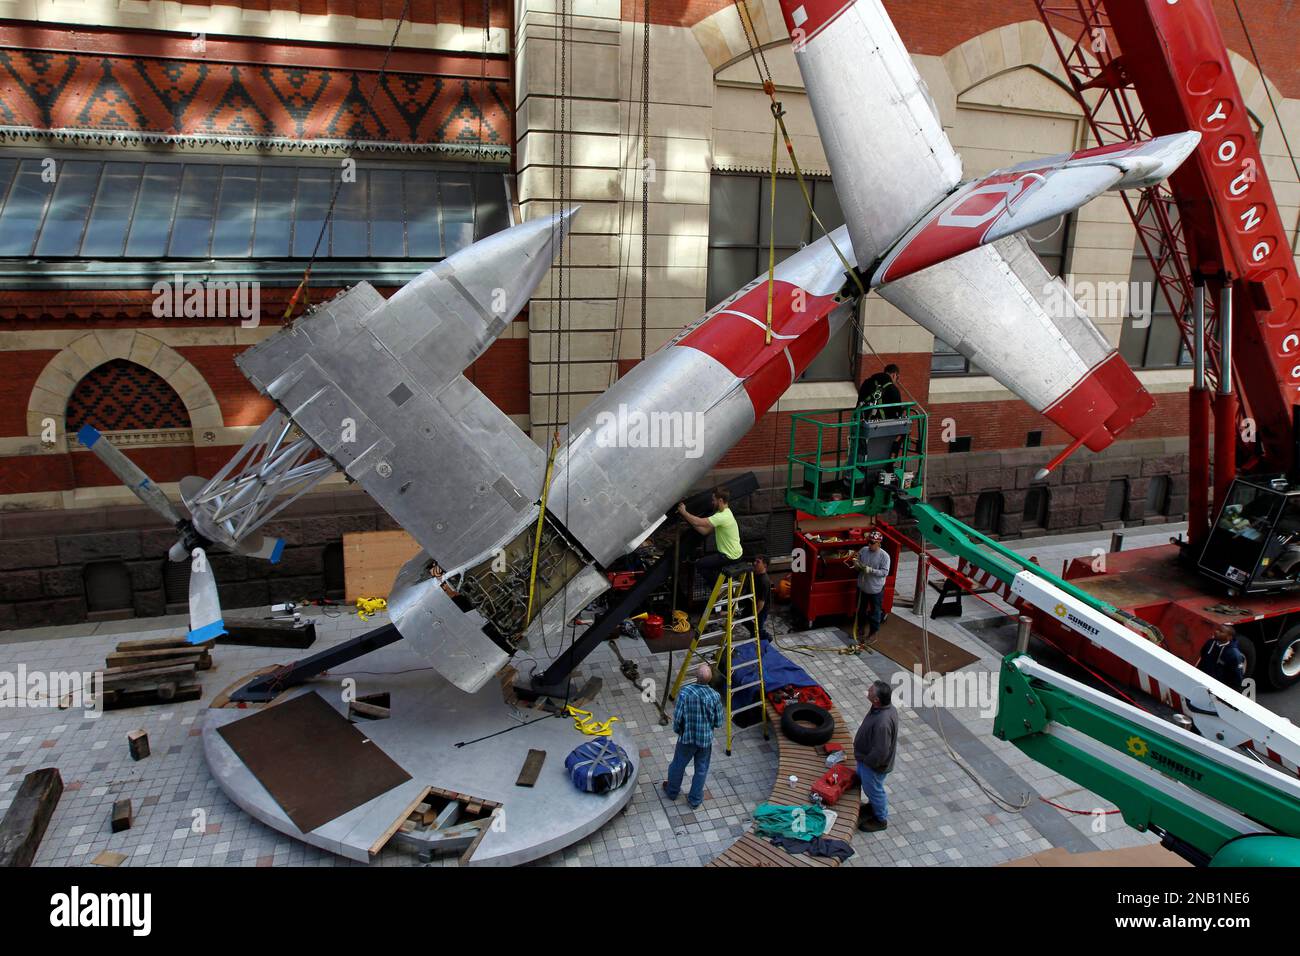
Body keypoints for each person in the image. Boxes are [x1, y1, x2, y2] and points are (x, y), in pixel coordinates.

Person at [663, 663, 724, 809]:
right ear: (710, 680)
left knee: (678, 765)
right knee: (701, 769)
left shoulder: (685, 692)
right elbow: (719, 722)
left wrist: (678, 730)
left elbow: (678, 717)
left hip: (687, 738)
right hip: (705, 741)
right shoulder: (715, 696)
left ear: (696, 677)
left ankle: (672, 792)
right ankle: (695, 799)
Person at [854, 680, 899, 832]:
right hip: (867, 761)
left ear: (876, 700)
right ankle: (873, 806)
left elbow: (881, 751)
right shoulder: (881, 708)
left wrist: (866, 762)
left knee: (874, 790)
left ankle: (880, 819)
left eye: (871, 690)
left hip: (873, 765)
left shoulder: (882, 722)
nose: (868, 689)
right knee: (871, 788)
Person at [677, 487, 744, 584]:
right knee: (709, 565)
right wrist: (690, 520)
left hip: (729, 557)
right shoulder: (724, 513)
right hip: (735, 554)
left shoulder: (722, 516)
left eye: (713, 500)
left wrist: (684, 512)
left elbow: (698, 522)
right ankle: (722, 584)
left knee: (700, 564)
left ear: (720, 500)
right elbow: (705, 531)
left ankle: (719, 588)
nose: (712, 502)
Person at [851, 529, 891, 644]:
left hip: (875, 589)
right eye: (868, 542)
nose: (869, 545)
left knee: (875, 612)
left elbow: (884, 572)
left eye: (872, 543)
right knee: (860, 610)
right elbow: (857, 560)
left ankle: (873, 633)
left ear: (879, 543)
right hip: (862, 586)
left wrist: (870, 570)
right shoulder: (864, 550)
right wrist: (856, 564)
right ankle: (860, 629)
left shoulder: (885, 556)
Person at [1198, 624, 1247, 693]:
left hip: (1219, 689)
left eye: (1221, 631)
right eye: (1217, 629)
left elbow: (1237, 676)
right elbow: (1203, 656)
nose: (1216, 632)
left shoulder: (1234, 654)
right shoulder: (1210, 643)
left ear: (1229, 637)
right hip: (1203, 683)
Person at [752, 554, 772, 642]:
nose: (754, 563)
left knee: (758, 629)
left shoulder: (764, 581)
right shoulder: (755, 574)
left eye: (758, 562)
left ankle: (767, 637)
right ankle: (754, 636)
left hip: (762, 608)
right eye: (755, 561)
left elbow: (761, 602)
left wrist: (754, 615)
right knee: (751, 625)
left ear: (765, 565)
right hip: (755, 604)